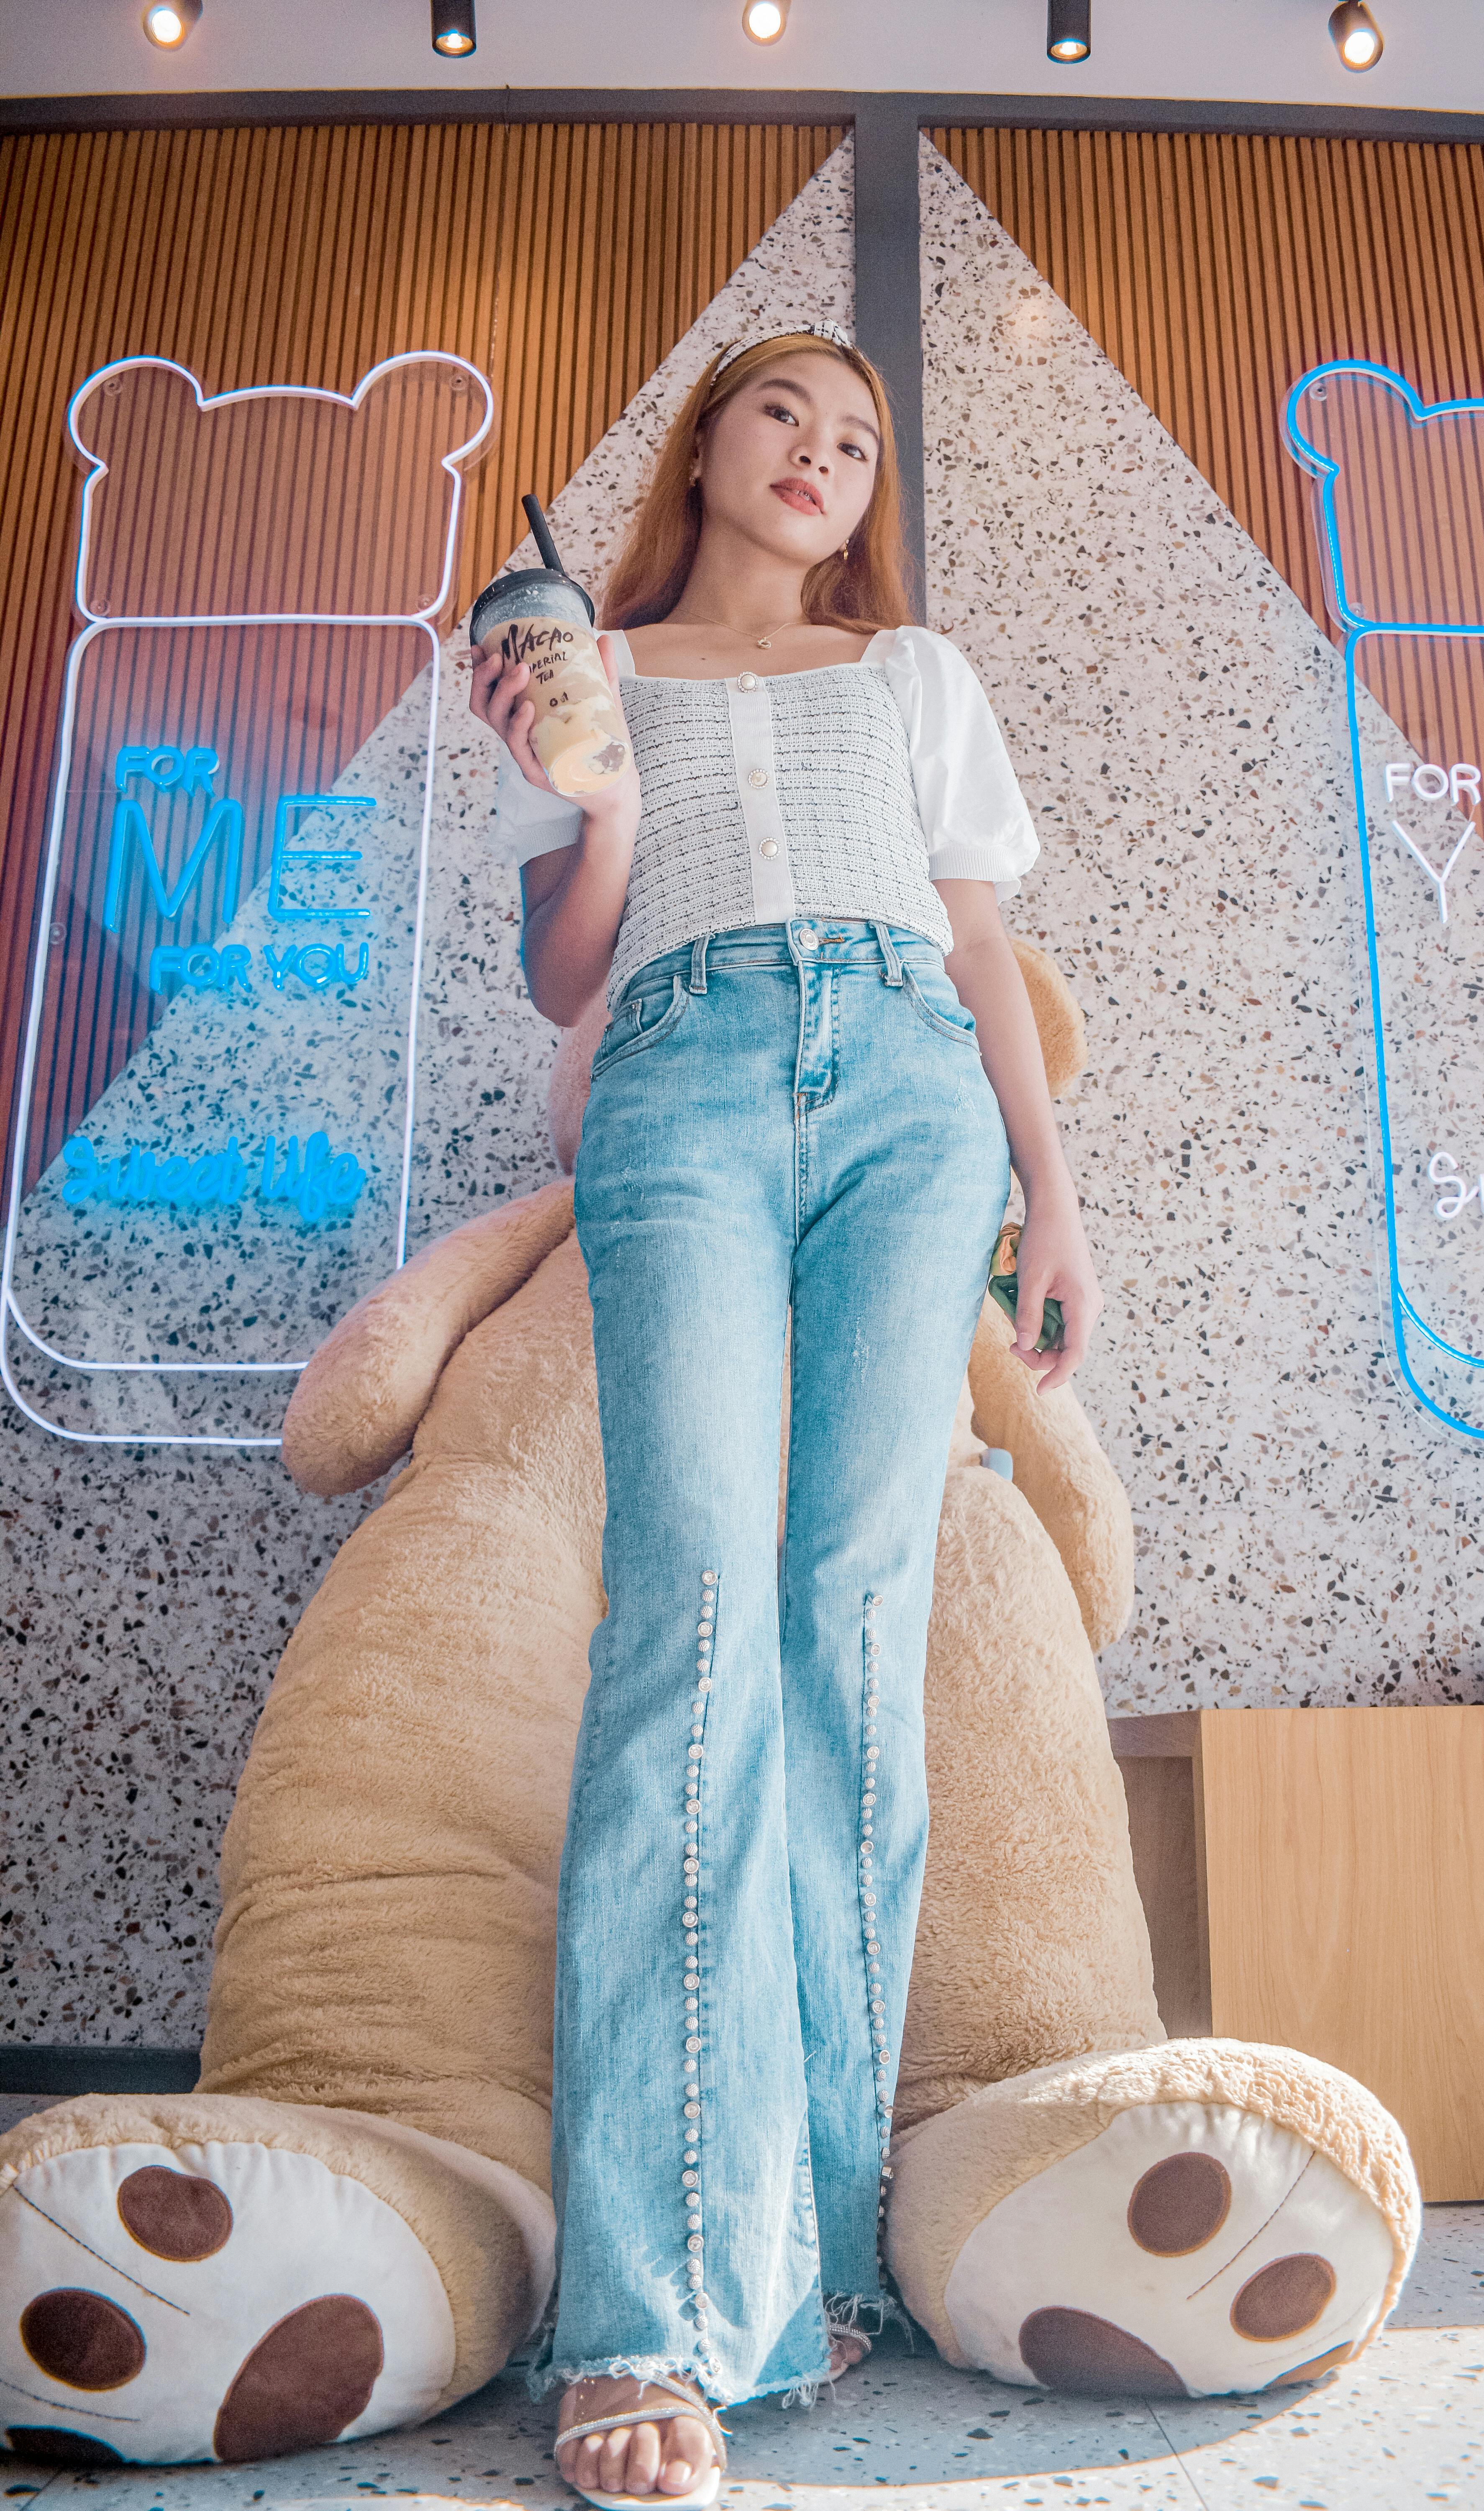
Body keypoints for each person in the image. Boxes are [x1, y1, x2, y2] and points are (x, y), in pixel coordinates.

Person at [469, 320, 1103, 2510]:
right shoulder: (594, 663)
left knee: (851, 1647)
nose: (824, 454)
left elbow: (980, 949)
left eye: (858, 436)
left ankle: (811, 2259)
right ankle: (647, 2310)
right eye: (784, 415)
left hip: (916, 1108)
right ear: (707, 449)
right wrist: (594, 791)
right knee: (691, 1640)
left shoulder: (916, 679)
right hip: (682, 1095)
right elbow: (569, 977)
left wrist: (1052, 1189)